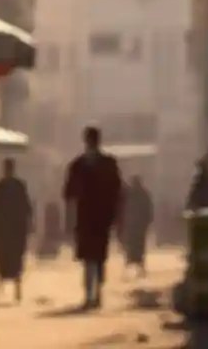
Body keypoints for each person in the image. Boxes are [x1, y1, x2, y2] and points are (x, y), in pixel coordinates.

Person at [62, 126, 123, 309]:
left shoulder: (81, 165)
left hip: (93, 217)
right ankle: (94, 293)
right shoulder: (100, 164)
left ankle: (93, 294)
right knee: (94, 257)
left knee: (94, 257)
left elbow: (68, 194)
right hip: (94, 218)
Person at [0, 158, 32, 304]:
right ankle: (13, 291)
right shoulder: (11, 186)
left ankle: (14, 291)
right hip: (10, 230)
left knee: (11, 261)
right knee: (9, 261)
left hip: (10, 230)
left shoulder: (4, 186)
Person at [119, 176, 153, 278]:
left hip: (134, 225)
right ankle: (137, 268)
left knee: (134, 247)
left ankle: (135, 268)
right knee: (136, 247)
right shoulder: (142, 194)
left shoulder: (134, 195)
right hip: (136, 226)